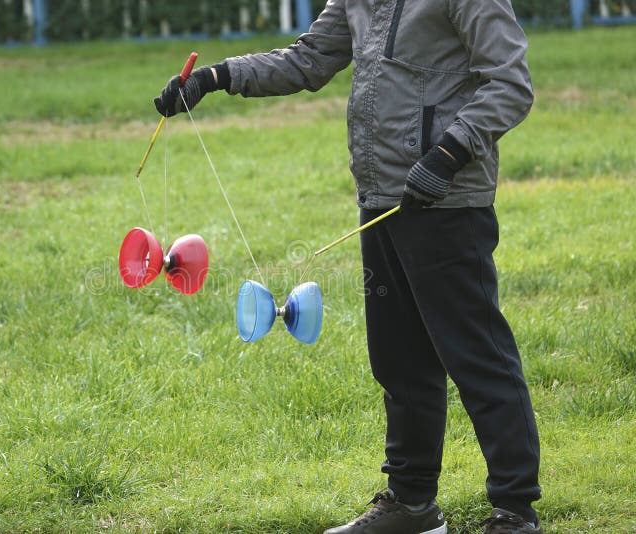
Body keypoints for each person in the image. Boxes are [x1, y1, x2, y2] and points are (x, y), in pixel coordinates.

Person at [154, 0, 542, 532]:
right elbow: (308, 59)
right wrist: (216, 78)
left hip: (448, 200)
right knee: (398, 359)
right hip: (381, 196)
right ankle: (411, 505)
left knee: (476, 355)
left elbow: (511, 83)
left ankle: (514, 509)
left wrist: (449, 154)